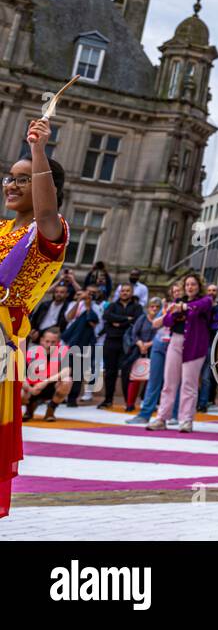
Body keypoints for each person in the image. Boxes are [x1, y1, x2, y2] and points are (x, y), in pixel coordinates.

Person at [0, 119, 67, 518]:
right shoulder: (2, 229)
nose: (11, 184)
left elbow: (45, 209)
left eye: (23, 180)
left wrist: (39, 150)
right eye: (10, 177)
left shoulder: (50, 232)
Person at [147, 274, 214, 433]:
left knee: (189, 384)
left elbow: (198, 308)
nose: (190, 287)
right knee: (169, 383)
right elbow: (168, 321)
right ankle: (162, 417)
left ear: (199, 286)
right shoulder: (178, 302)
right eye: (187, 285)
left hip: (195, 344)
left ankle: (186, 420)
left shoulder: (205, 301)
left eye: (193, 284)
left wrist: (182, 309)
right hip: (176, 342)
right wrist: (176, 312)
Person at [98, 283, 141, 409]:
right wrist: (126, 319)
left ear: (131, 293)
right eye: (123, 291)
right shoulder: (112, 305)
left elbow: (136, 321)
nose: (125, 293)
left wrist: (118, 322)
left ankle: (128, 402)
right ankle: (108, 400)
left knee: (126, 373)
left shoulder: (137, 307)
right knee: (110, 372)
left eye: (128, 291)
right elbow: (106, 316)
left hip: (127, 343)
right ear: (119, 292)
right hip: (111, 341)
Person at [21, 327, 72, 423]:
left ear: (58, 342)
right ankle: (29, 408)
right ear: (41, 340)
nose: (49, 345)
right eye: (47, 341)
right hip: (32, 388)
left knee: (67, 380)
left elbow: (67, 371)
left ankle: (51, 409)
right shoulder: (31, 352)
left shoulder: (63, 351)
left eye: (53, 342)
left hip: (50, 386)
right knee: (19, 390)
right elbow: (20, 374)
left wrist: (45, 382)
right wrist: (29, 388)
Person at [122, 297, 161, 413]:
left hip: (154, 350)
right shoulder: (142, 318)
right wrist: (140, 344)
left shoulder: (161, 320)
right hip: (138, 350)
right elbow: (134, 333)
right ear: (148, 308)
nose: (154, 309)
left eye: (157, 307)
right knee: (135, 376)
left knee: (152, 378)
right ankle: (130, 403)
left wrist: (148, 345)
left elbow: (161, 334)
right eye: (152, 306)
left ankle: (147, 402)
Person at [60, 288, 99, 406]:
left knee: (77, 371)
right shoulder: (72, 304)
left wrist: (88, 307)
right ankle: (62, 395)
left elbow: (93, 323)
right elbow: (68, 318)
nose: (86, 296)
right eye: (80, 294)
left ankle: (72, 398)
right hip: (69, 340)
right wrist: (78, 302)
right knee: (65, 370)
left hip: (84, 342)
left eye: (91, 294)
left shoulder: (96, 307)